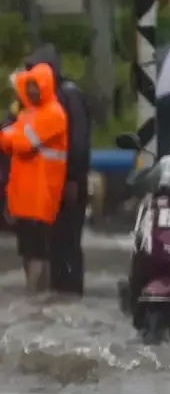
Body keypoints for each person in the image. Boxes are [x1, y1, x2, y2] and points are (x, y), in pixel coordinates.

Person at [25, 44, 92, 297]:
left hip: (67, 183)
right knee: (52, 244)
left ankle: (71, 293)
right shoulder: (42, 100)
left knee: (67, 242)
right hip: (50, 186)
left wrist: (73, 178)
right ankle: (58, 292)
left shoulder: (69, 95)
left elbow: (79, 141)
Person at [1, 64, 68, 295]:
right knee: (28, 250)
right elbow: (8, 138)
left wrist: (12, 137)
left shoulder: (54, 113)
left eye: (35, 87)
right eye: (28, 87)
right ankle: (38, 296)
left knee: (38, 249)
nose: (31, 92)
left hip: (42, 194)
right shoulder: (29, 113)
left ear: (46, 87)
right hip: (23, 194)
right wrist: (12, 137)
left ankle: (33, 298)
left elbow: (23, 142)